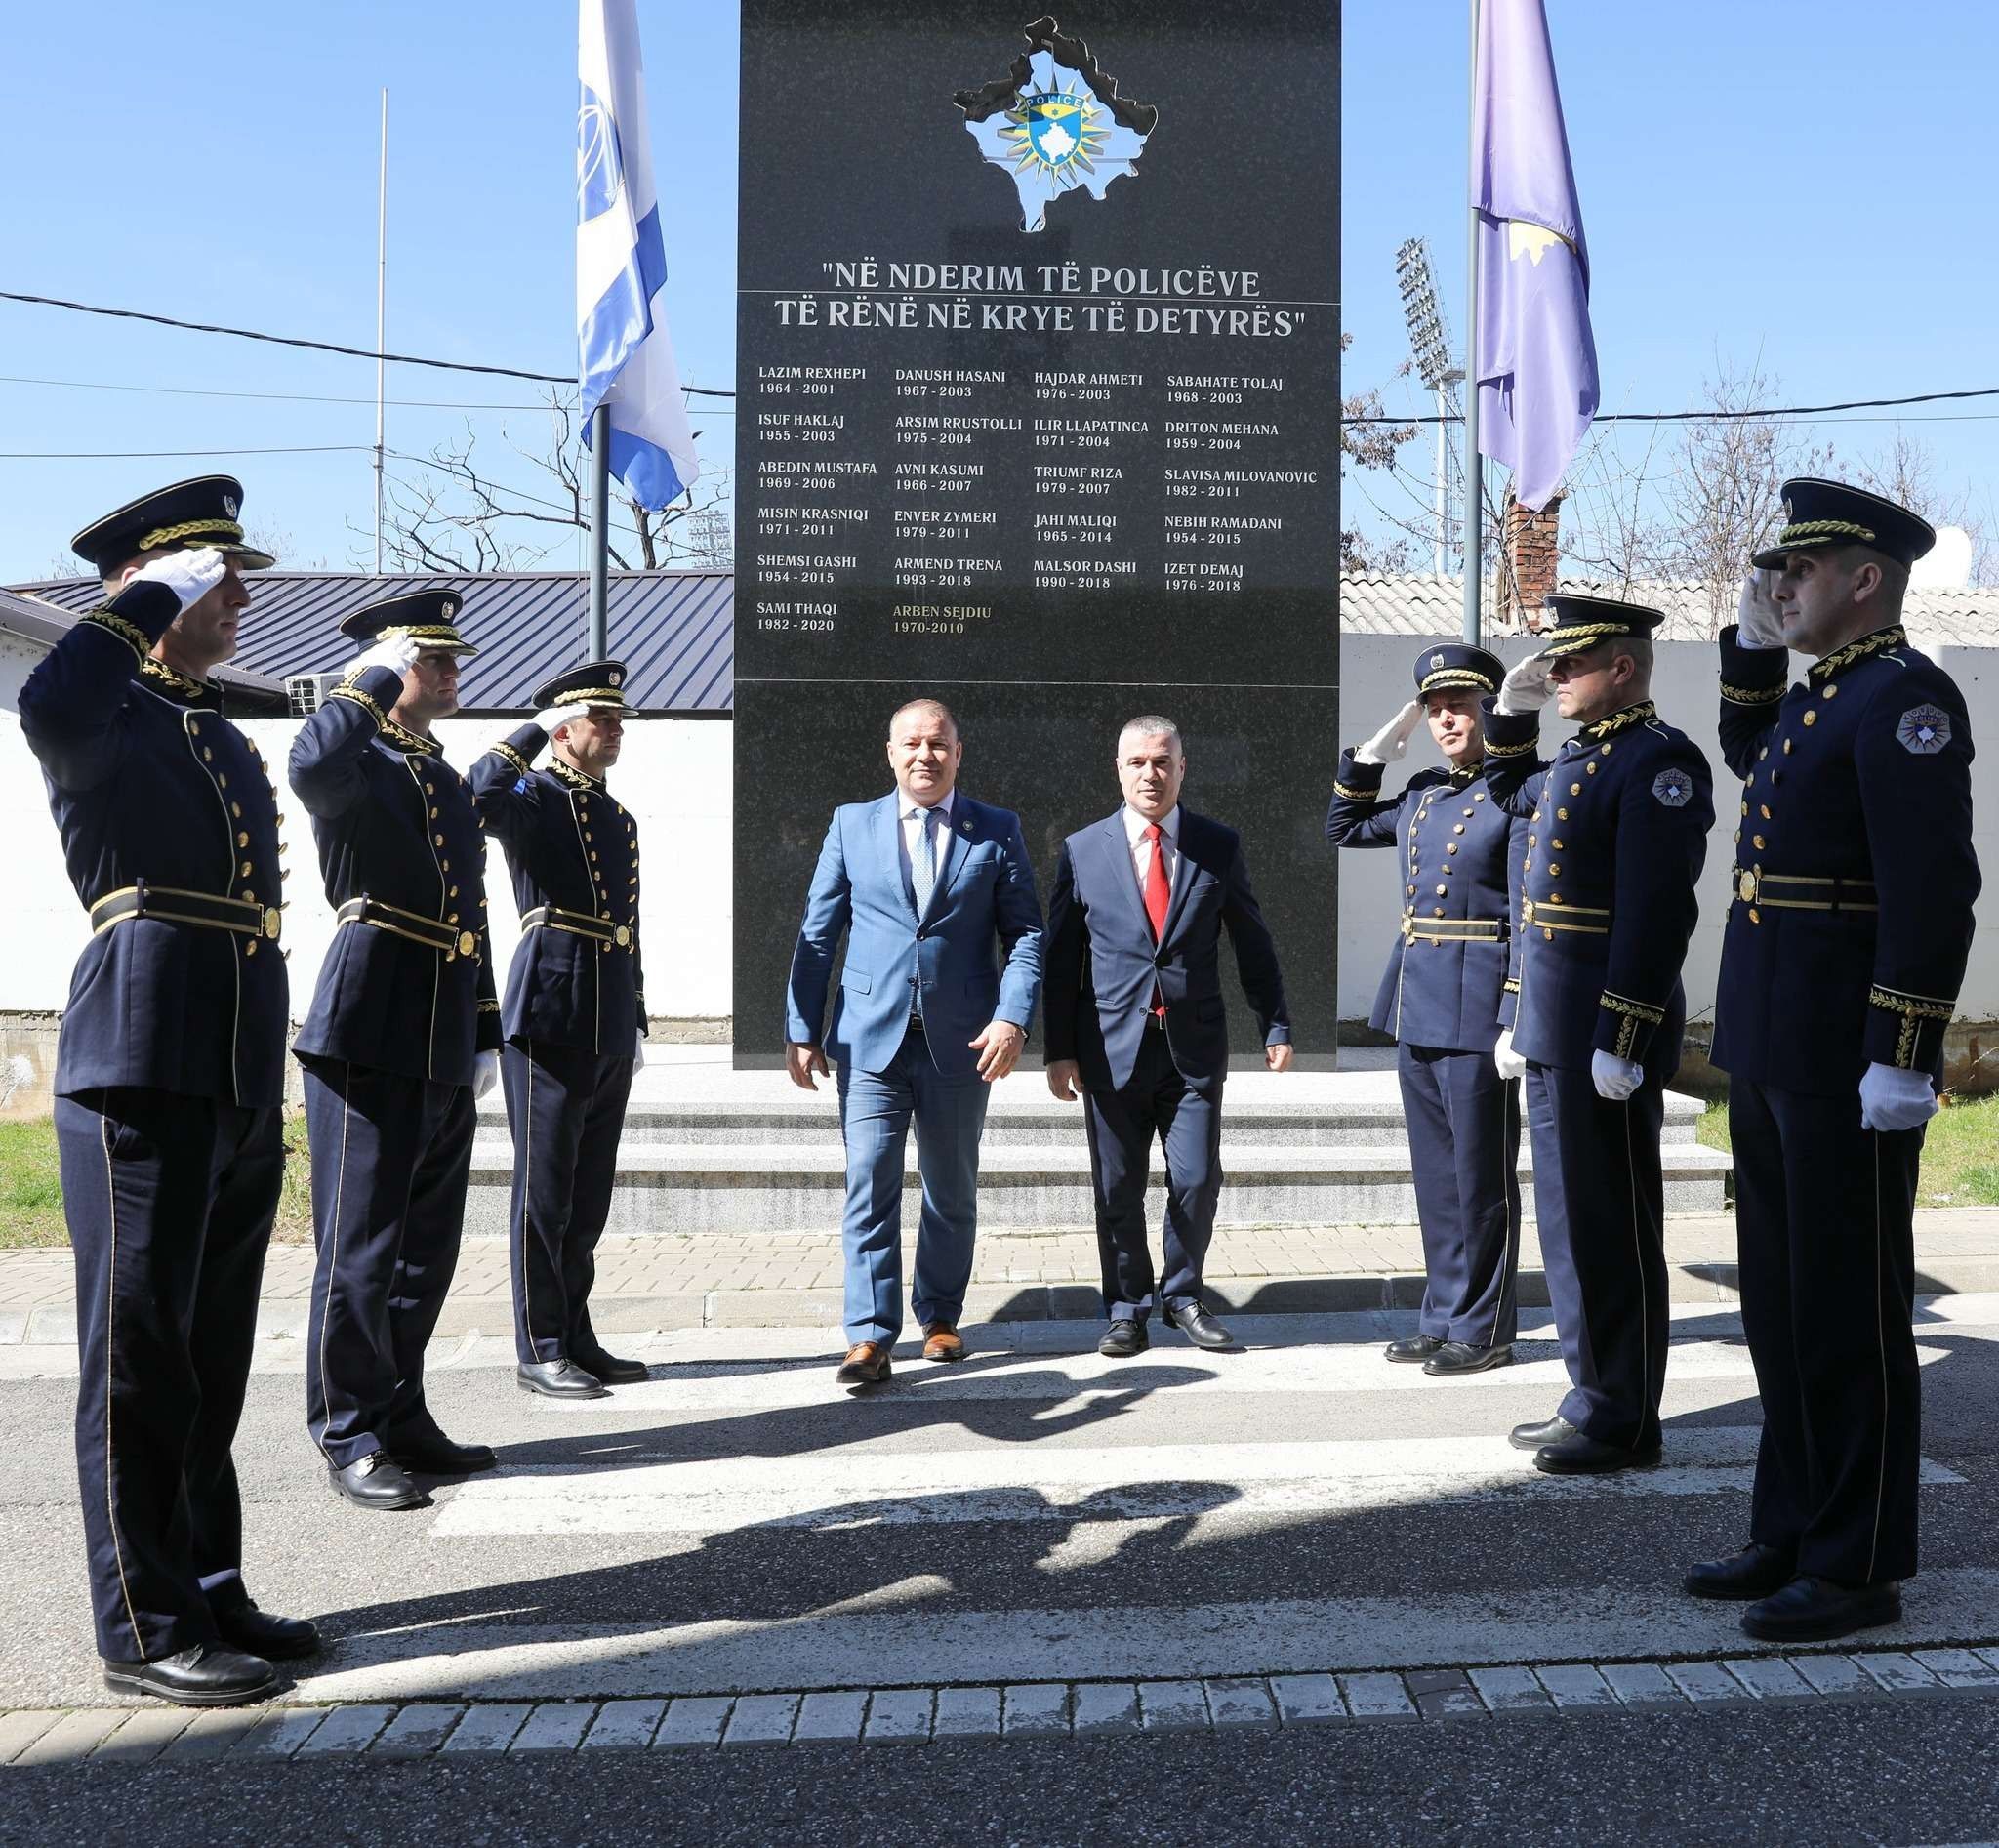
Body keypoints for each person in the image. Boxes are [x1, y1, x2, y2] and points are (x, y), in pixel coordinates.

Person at [19, 477, 315, 1704]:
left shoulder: (210, 724)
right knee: (139, 1351)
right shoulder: (105, 711)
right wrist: (141, 597)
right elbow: (51, 693)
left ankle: (206, 1580)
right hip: (138, 1048)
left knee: (210, 1344)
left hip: (232, 1052)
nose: (236, 594)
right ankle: (142, 1624)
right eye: (216, 573)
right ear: (156, 583)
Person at [1686, 480, 1980, 1643]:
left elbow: (1931, 890)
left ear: (1863, 579)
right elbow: (1752, 756)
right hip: (1770, 1044)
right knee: (1779, 1301)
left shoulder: (1906, 700)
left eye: (1797, 573)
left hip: (1841, 1057)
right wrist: (1748, 654)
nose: (1778, 586)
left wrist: (1903, 1048)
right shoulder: (1822, 701)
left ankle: (1856, 1562)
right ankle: (1788, 1527)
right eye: (1774, 574)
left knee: (1848, 1313)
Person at [1482, 595, 1714, 1474]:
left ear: (1622, 667)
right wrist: (1511, 712)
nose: (1554, 678)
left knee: (1612, 1224)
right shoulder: (1582, 756)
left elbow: (1658, 915)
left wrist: (1624, 1032)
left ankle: (1625, 1414)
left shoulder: (1659, 763)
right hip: (1553, 1027)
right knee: (1570, 1223)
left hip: (1602, 1037)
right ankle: (1592, 1394)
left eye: (1567, 666)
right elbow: (1507, 791)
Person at [289, 591, 502, 1509]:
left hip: (444, 1019)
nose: (453, 673)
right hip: (371, 1012)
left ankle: (402, 1407)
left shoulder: (442, 774)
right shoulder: (357, 753)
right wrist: (369, 673)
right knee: (361, 1241)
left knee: (425, 1243)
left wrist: (486, 1023)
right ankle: (348, 1428)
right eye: (434, 659)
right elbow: (310, 757)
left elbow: (472, 909)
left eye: (456, 660)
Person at [785, 696, 1043, 1385]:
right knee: (868, 1182)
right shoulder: (851, 825)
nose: (924, 755)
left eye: (938, 744)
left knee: (949, 1188)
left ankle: (940, 1317)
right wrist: (802, 1027)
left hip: (962, 1042)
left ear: (958, 753)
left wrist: (1013, 1017)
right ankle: (870, 1336)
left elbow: (1025, 934)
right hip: (869, 1040)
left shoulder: (996, 829)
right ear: (890, 752)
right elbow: (818, 934)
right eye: (911, 743)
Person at [1043, 715, 1292, 1357]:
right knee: (1117, 1185)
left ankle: (1183, 1295)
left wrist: (1277, 1022)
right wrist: (1059, 1049)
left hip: (1192, 1048)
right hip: (1109, 1047)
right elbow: (1060, 958)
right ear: (1118, 769)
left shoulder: (1216, 844)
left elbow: (1252, 940)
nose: (1150, 773)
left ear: (1182, 768)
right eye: (1137, 762)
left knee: (1196, 1177)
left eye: (1162, 761)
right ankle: (1126, 1307)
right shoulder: (1082, 849)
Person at [1327, 646, 1525, 1376]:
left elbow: (1529, 915)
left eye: (1462, 705)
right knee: (1437, 1177)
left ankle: (1487, 1325)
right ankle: (1442, 1314)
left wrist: (1517, 1012)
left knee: (1481, 1179)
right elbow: (1343, 828)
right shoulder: (1422, 792)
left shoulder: (1517, 791)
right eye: (1435, 707)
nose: (1447, 718)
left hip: (1480, 1006)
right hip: (1418, 999)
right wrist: (1374, 754)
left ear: (1490, 711)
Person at [469, 662, 649, 1401]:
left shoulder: (619, 815)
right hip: (549, 998)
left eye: (616, 719)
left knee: (587, 1190)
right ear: (564, 728)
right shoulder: (532, 795)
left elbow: (628, 924)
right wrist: (534, 727)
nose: (612, 729)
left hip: (605, 1007)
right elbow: (474, 791)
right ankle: (538, 1343)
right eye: (596, 718)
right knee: (544, 1189)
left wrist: (635, 1014)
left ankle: (574, 1332)